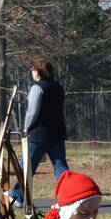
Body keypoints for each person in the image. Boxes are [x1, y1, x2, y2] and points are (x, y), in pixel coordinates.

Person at [9, 56, 68, 205]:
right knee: (60, 166)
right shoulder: (58, 87)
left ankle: (17, 196)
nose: (31, 72)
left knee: (26, 167)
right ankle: (67, 197)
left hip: (39, 135)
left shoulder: (38, 87)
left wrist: (26, 126)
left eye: (33, 69)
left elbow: (32, 111)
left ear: (39, 71)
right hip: (57, 133)